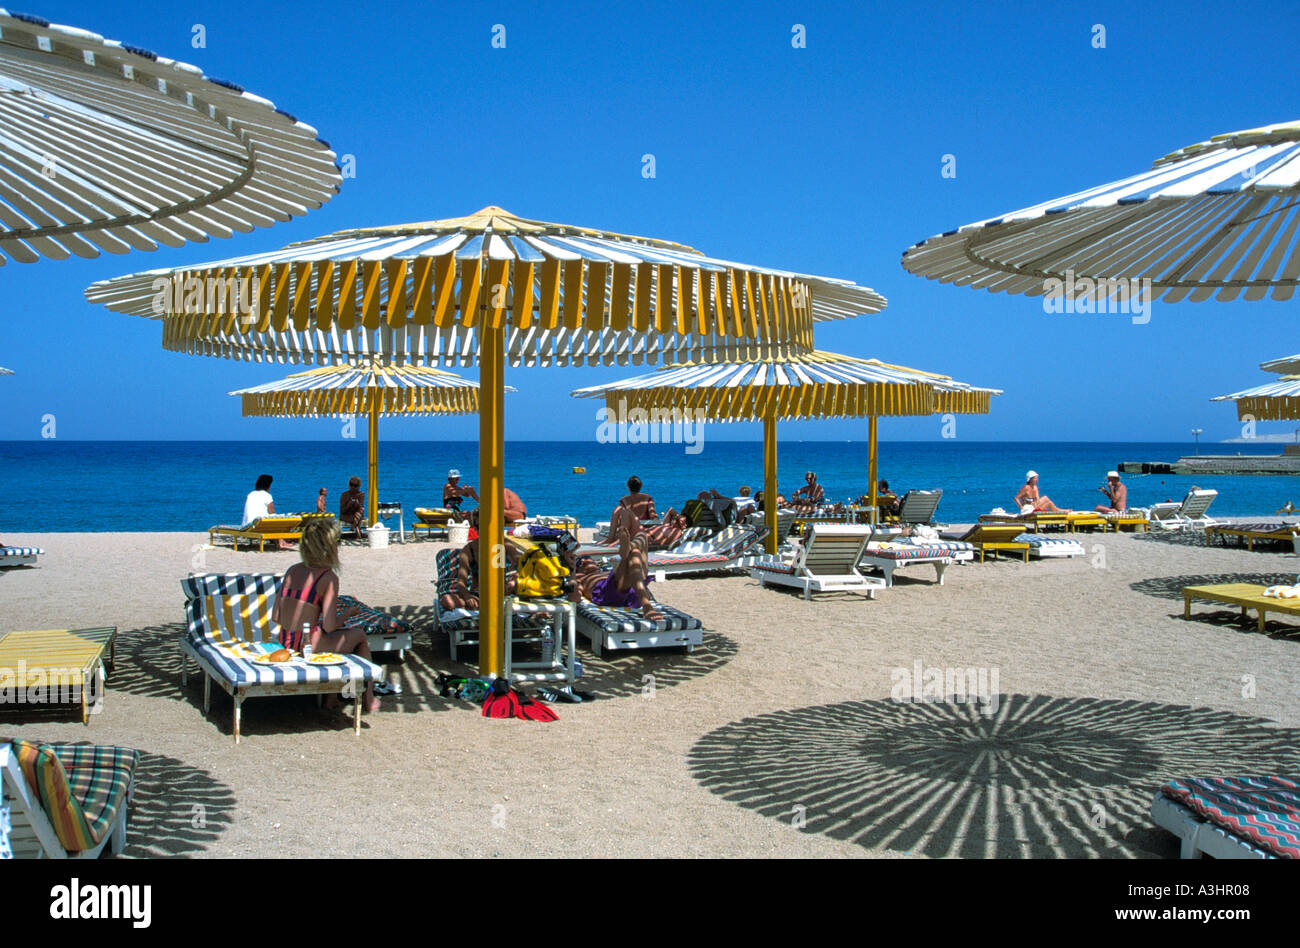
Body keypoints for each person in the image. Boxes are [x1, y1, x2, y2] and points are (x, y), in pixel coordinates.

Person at [271, 517, 380, 713]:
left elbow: (276, 616)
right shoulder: (327, 577)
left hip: (285, 640)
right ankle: (369, 697)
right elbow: (330, 625)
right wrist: (347, 613)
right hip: (308, 644)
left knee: (336, 640)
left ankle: (332, 697)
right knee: (359, 637)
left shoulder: (292, 570)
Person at [561, 525, 662, 620]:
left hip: (633, 592)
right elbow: (574, 598)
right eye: (579, 562)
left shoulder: (605, 571)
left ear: (597, 564)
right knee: (633, 554)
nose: (582, 561)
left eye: (586, 558)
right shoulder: (580, 577)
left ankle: (629, 547)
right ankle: (646, 605)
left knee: (642, 536)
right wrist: (573, 569)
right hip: (609, 594)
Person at [243, 474, 295, 550]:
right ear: (268, 485)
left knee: (271, 520)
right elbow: (272, 512)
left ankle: (280, 541)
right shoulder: (267, 495)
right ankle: (281, 542)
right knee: (277, 520)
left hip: (248, 525)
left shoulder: (251, 494)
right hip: (259, 525)